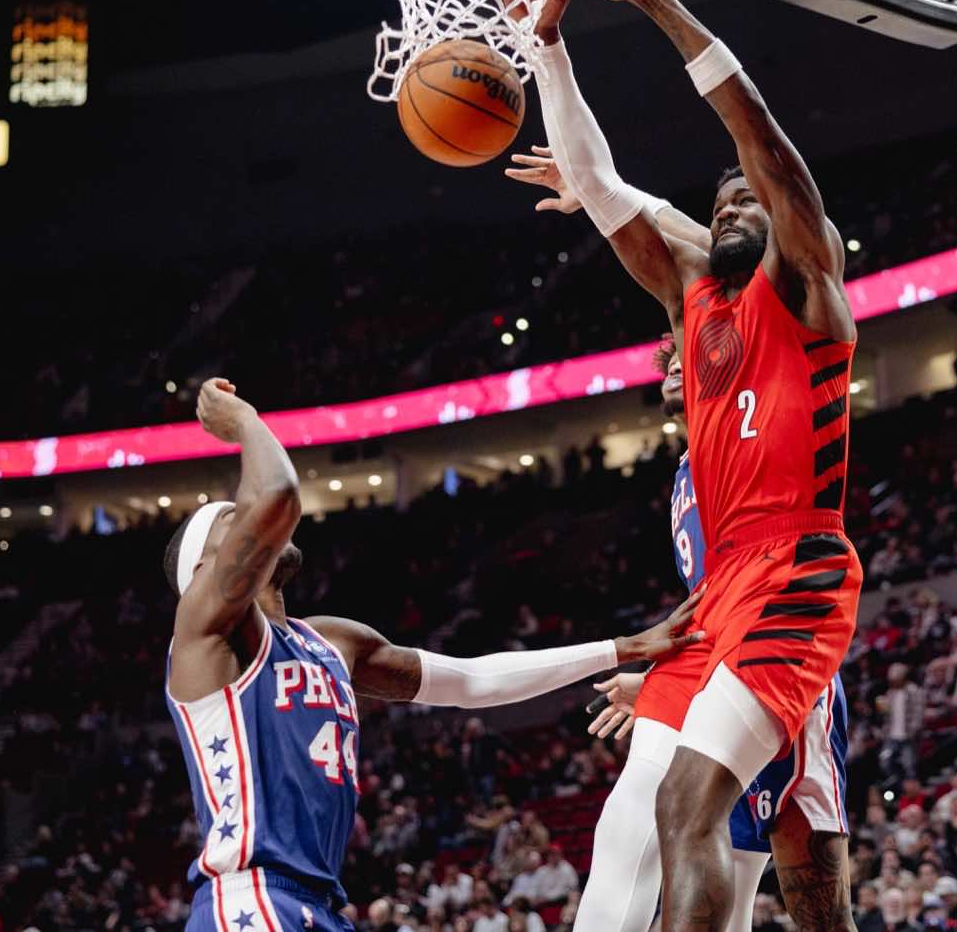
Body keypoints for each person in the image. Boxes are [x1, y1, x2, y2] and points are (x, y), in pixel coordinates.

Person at [524, 0, 865, 932]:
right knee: (669, 807)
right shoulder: (694, 298)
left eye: (742, 206)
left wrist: (656, 4)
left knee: (752, 834)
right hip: (717, 597)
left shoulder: (805, 289)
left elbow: (765, 149)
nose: (728, 211)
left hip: (796, 565)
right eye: (716, 209)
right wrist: (548, 45)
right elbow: (595, 184)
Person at [161, 379, 702, 931]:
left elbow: (471, 682)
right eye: (233, 522)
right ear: (204, 574)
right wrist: (245, 419)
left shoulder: (331, 642)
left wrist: (622, 647)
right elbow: (278, 495)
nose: (249, 522)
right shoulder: (207, 636)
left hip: (318, 907)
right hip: (248, 898)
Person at [572, 336, 852, 932]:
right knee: (657, 834)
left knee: (817, 908)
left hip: (780, 648)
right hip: (714, 651)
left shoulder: (749, 428)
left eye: (689, 357)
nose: (675, 367)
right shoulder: (685, 468)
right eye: (668, 362)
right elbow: (714, 589)